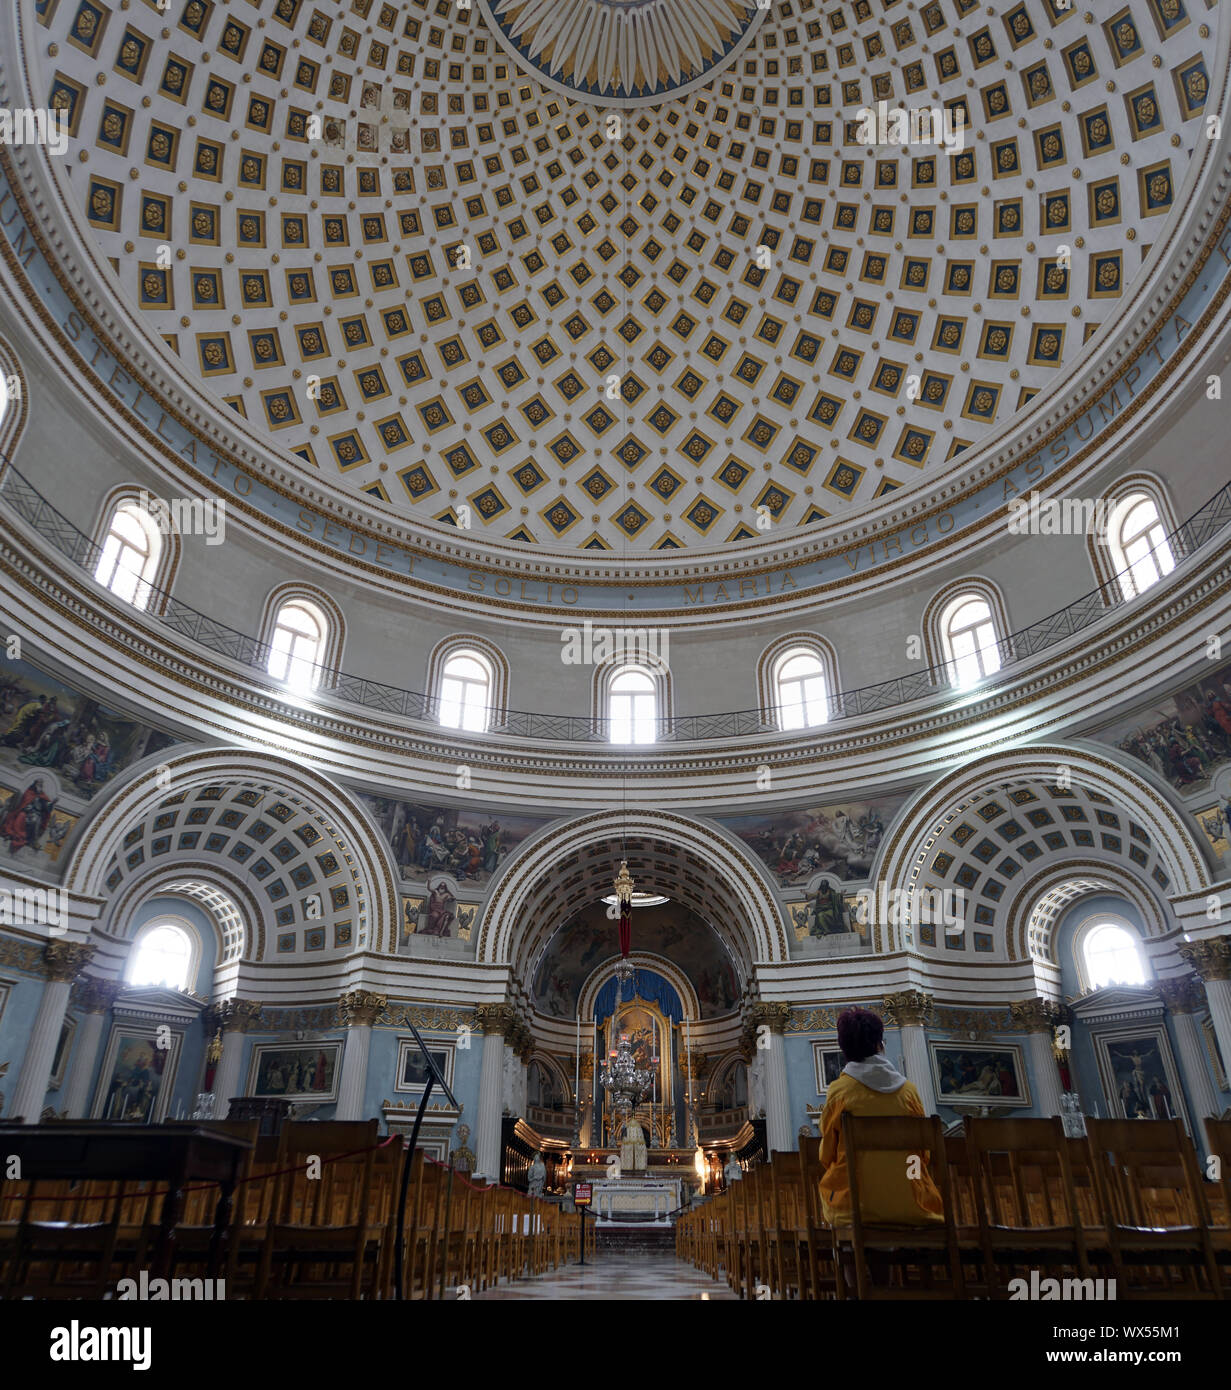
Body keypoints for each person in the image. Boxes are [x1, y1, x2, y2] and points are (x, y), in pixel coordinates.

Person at [817, 1006, 943, 1229]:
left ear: (844, 1049)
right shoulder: (909, 1092)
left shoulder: (840, 1091)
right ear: (880, 1044)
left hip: (855, 1208)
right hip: (914, 1206)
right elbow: (922, 1154)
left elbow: (827, 1155)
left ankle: (853, 1263)